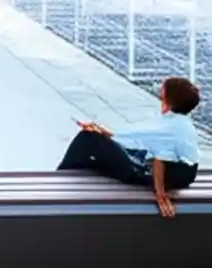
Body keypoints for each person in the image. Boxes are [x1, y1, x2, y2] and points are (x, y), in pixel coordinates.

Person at [58, 77, 201, 218]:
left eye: (162, 93)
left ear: (170, 100)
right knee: (90, 161)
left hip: (146, 172)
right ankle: (61, 181)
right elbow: (138, 139)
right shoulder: (179, 123)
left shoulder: (172, 128)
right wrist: (103, 132)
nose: (159, 93)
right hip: (160, 168)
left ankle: (59, 181)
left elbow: (159, 161)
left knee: (87, 138)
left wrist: (161, 196)